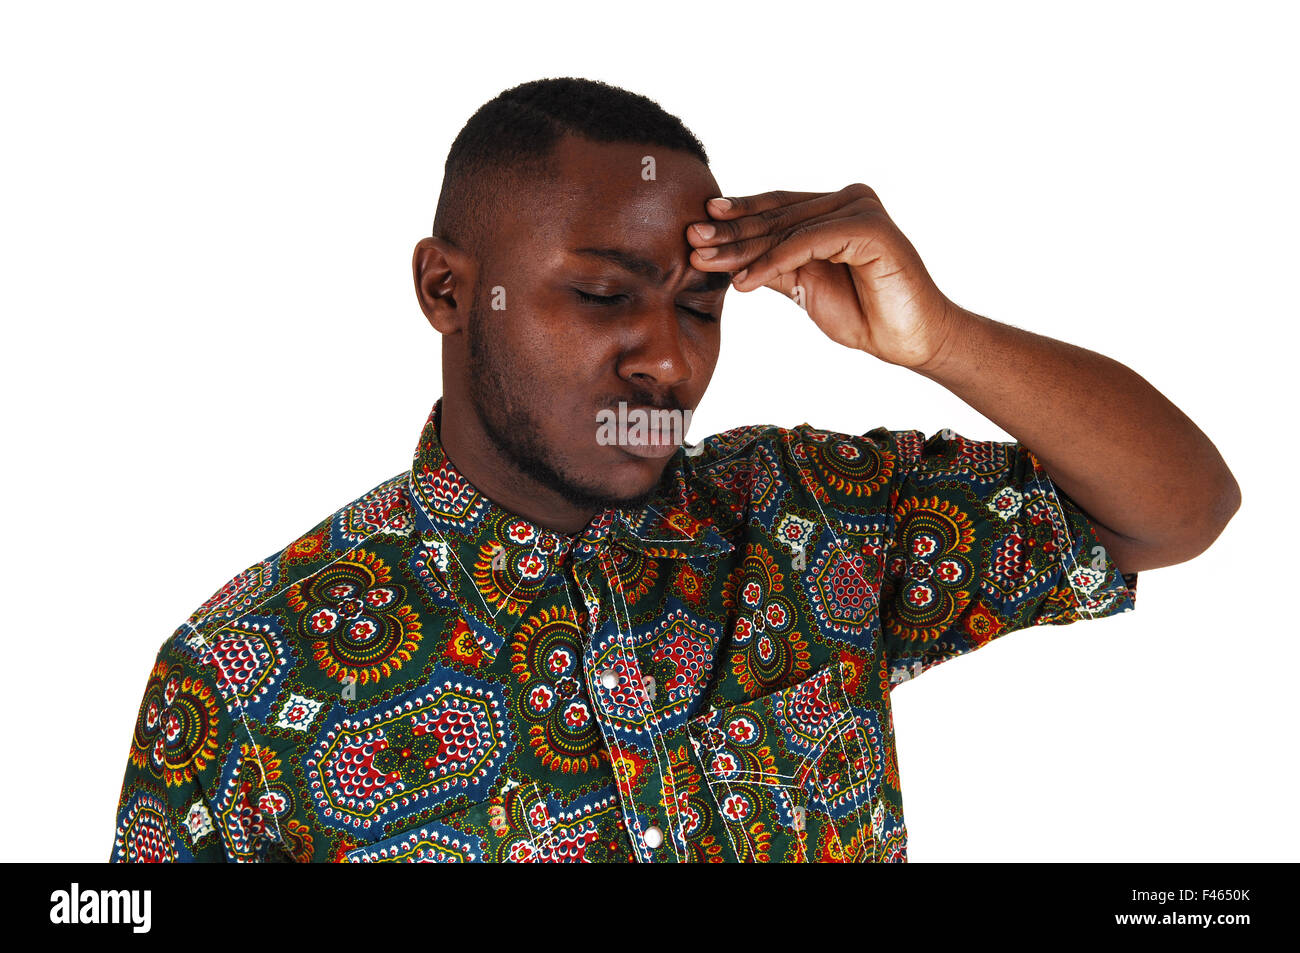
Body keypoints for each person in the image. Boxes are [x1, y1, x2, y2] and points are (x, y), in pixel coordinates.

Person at [108, 77, 1240, 863]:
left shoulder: (811, 517)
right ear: (448, 291)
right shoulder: (245, 674)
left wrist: (937, 336)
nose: (668, 356)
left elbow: (1179, 508)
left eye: (698, 303)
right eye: (604, 294)